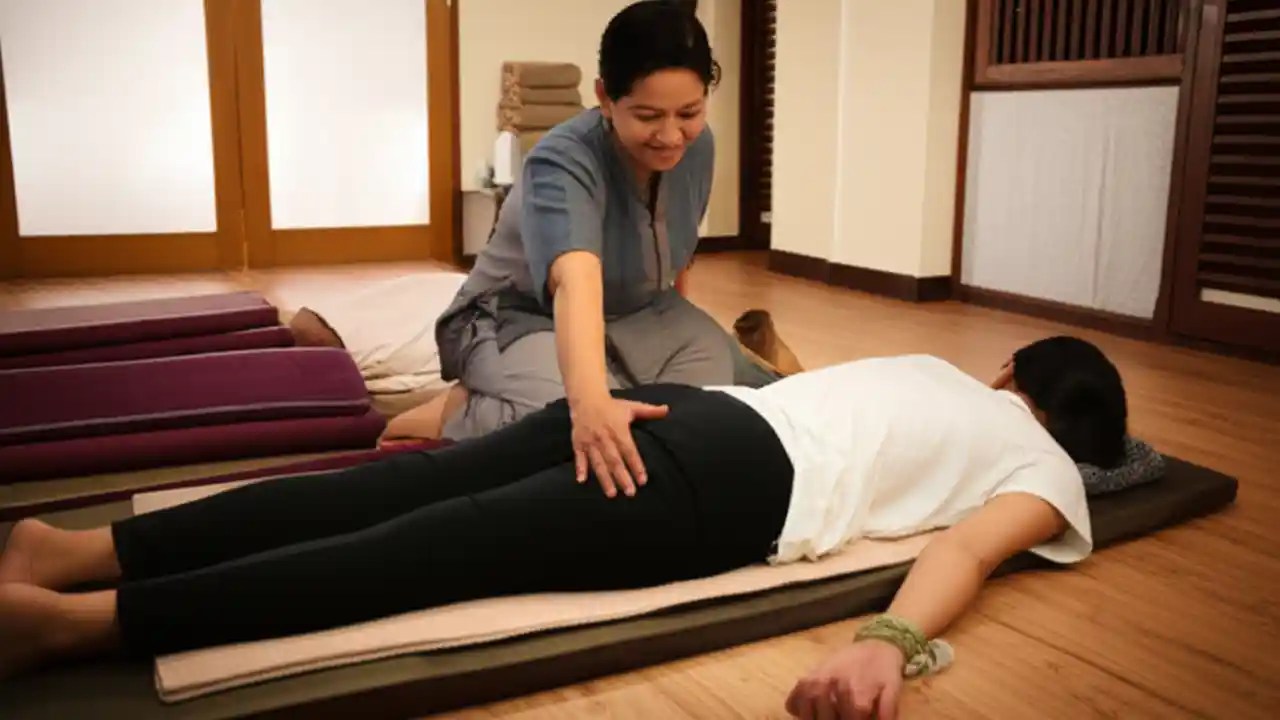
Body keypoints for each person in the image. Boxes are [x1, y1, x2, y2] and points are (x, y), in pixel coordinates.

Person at [0, 336, 1126, 719]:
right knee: (410, 558)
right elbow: (967, 546)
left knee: (387, 493)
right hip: (729, 484)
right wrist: (885, 646)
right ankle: (79, 625)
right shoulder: (1044, 467)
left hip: (674, 410)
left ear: (1006, 372)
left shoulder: (935, 368)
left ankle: (79, 552)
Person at [433, 1, 779, 496]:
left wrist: (681, 326)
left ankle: (594, 380)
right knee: (565, 427)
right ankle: (455, 408)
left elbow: (671, 248)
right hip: (520, 313)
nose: (670, 135)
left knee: (709, 412)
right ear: (604, 96)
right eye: (647, 115)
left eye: (689, 112)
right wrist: (591, 402)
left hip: (636, 310)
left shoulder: (699, 147)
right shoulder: (562, 158)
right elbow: (575, 280)